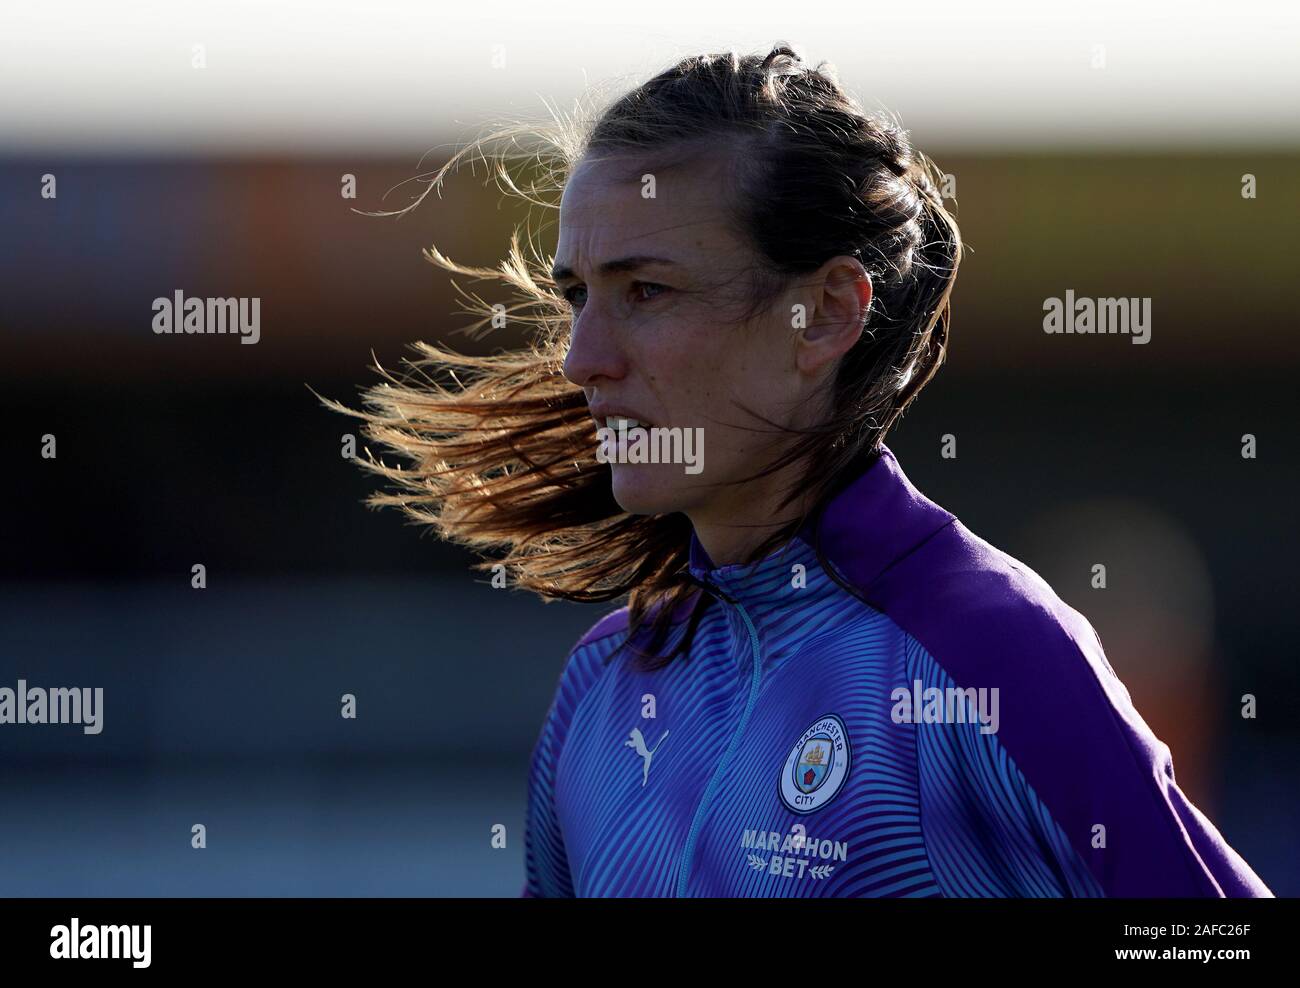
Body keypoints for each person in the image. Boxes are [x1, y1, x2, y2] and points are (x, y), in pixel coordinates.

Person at [333, 44, 1272, 897]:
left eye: (646, 291)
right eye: (579, 297)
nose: (582, 358)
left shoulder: (988, 652)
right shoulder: (604, 681)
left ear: (823, 316)